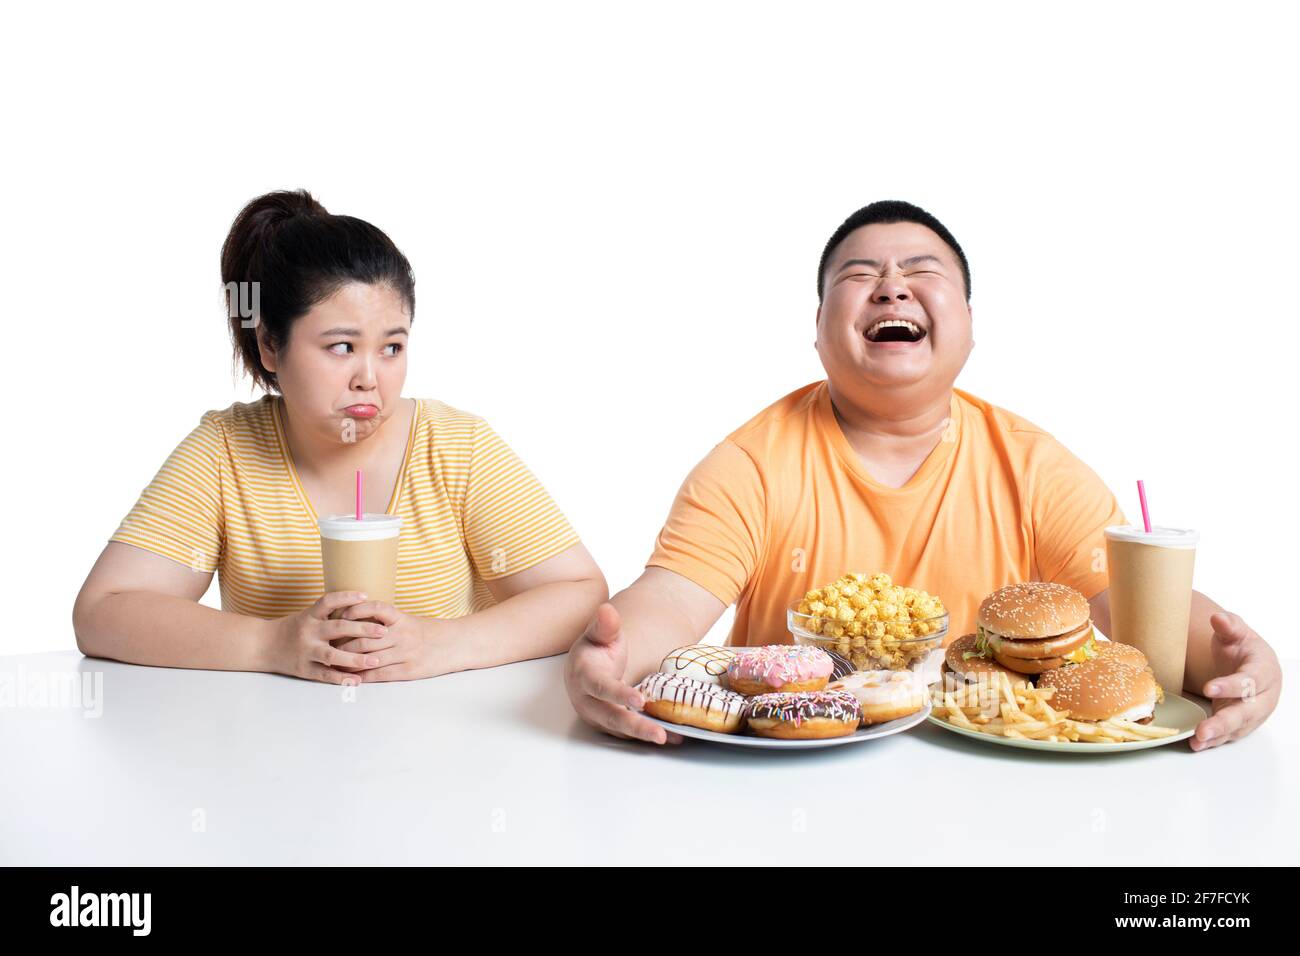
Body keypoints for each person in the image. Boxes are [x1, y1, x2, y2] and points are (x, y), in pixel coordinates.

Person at [564, 200, 1280, 752]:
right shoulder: (751, 461)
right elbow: (672, 597)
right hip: (795, 777)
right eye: (860, 275)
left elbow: (1131, 610)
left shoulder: (1034, 465)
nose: (891, 289)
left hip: (988, 782)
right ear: (818, 327)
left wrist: (1239, 662)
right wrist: (612, 653)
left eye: (921, 273)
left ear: (968, 321)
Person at [75, 189, 606, 684]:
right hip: (276, 760)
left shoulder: (456, 446)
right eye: (341, 347)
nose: (369, 378)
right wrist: (273, 645)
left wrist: (436, 646)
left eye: (392, 348)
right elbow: (103, 611)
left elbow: (581, 593)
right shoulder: (226, 451)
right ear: (269, 347)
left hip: (444, 758)